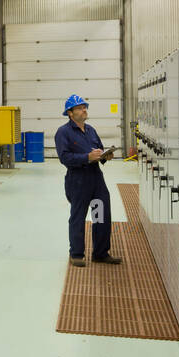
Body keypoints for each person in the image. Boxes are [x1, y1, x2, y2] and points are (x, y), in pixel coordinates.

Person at [54, 94, 121, 267]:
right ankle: (76, 254)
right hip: (78, 181)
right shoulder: (63, 132)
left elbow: (98, 150)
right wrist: (87, 157)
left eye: (85, 107)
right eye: (80, 107)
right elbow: (64, 158)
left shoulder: (90, 129)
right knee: (78, 217)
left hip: (96, 179)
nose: (84, 110)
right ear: (70, 112)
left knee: (100, 216)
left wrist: (106, 156)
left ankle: (100, 252)